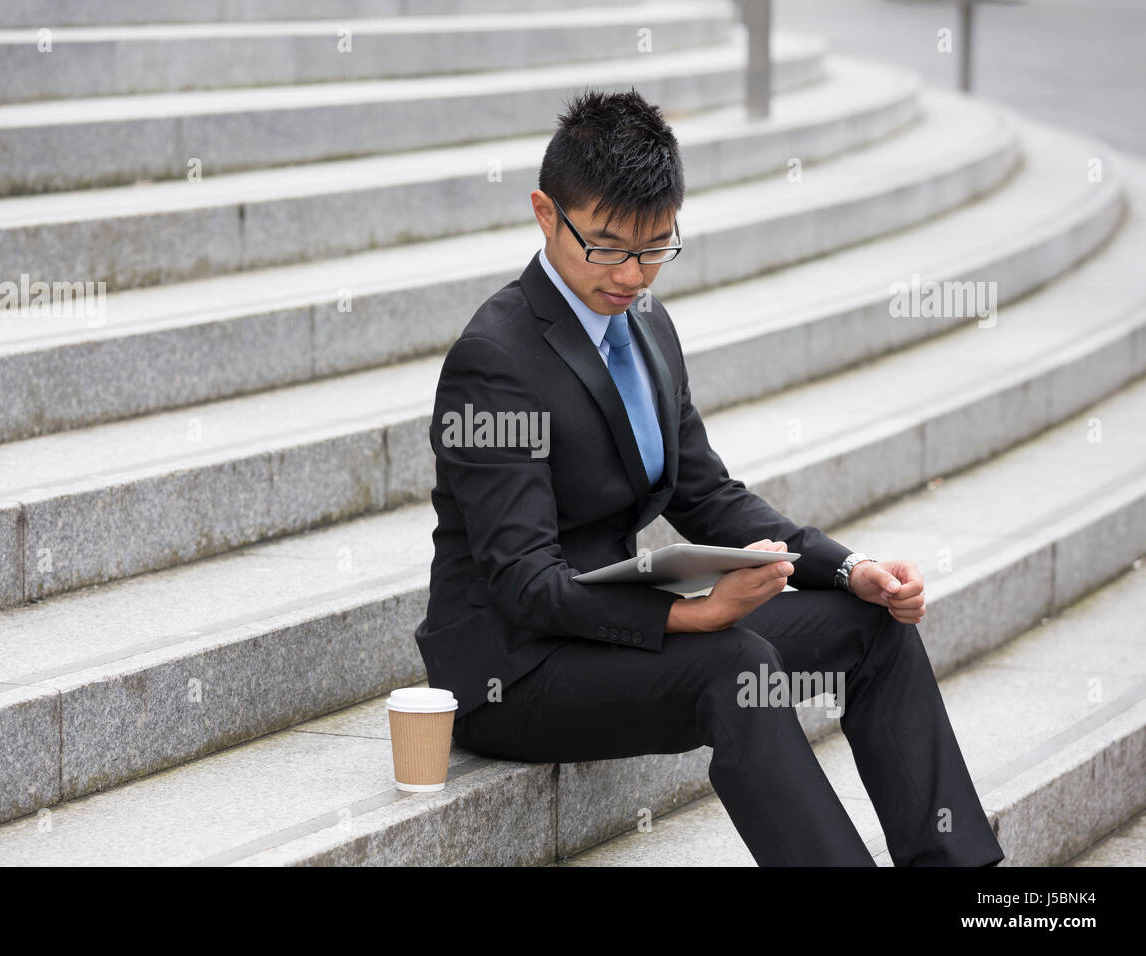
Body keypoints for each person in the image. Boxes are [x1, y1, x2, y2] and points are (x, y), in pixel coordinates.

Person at [412, 87, 1004, 867]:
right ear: (546, 214)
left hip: (617, 632)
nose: (633, 273)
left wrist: (847, 567)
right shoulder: (496, 360)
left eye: (657, 246)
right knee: (737, 665)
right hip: (515, 669)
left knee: (874, 629)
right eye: (609, 246)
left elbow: (704, 494)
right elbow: (525, 584)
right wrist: (692, 618)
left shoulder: (647, 323)